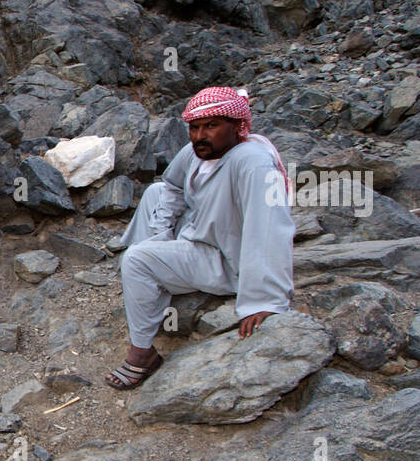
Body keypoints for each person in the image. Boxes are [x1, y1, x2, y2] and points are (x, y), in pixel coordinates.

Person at [104, 86, 295, 391]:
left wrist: (265, 301)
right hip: (199, 233)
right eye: (194, 127)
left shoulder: (252, 162)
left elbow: (269, 229)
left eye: (211, 126)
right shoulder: (199, 152)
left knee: (137, 258)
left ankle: (143, 354)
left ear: (236, 127)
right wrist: (161, 235)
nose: (199, 136)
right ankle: (150, 287)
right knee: (153, 194)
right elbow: (171, 188)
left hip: (224, 258)